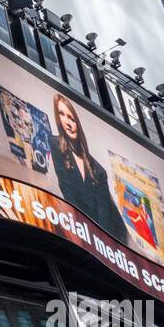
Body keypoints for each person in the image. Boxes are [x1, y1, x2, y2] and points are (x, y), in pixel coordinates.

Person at [50, 93, 128, 244]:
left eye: (71, 118)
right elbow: (67, 192)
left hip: (113, 234)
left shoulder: (98, 171)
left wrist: (95, 242)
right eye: (62, 115)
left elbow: (104, 217)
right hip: (84, 229)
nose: (68, 122)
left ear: (77, 123)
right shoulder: (55, 145)